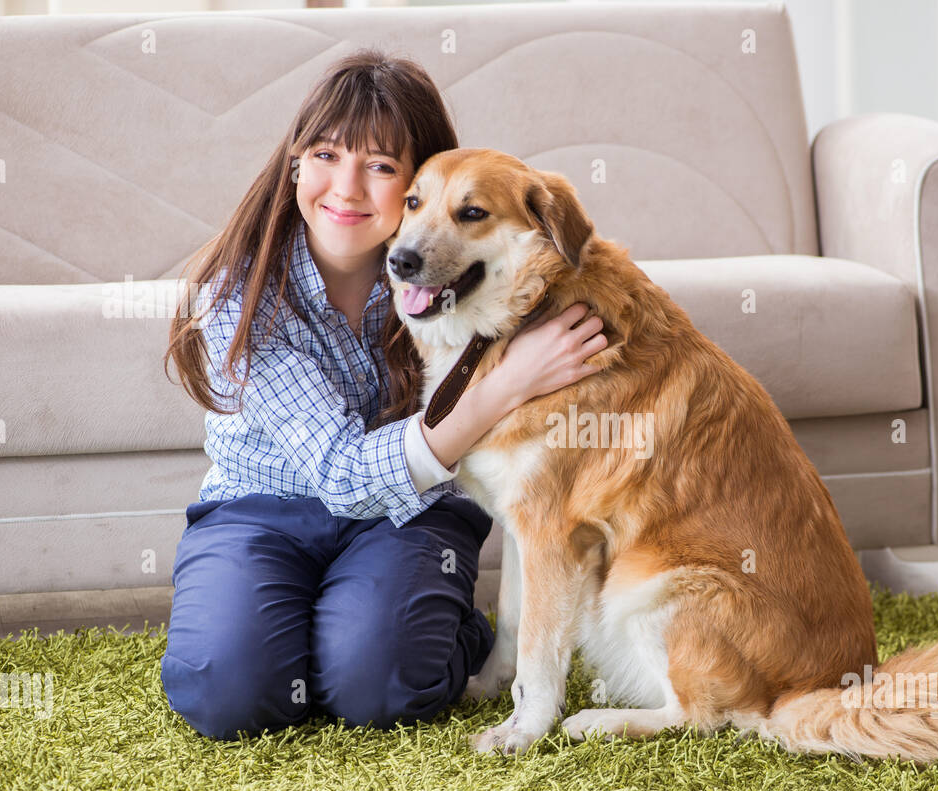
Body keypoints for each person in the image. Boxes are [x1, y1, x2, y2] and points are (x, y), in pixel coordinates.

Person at [160, 50, 606, 741]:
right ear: (295, 165)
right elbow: (339, 474)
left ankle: (420, 633)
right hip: (259, 513)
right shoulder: (240, 299)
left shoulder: (461, 279)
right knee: (227, 689)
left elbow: (542, 255)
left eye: (381, 166)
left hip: (405, 517)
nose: (346, 187)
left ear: (421, 181)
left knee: (380, 682)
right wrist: (509, 384)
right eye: (326, 155)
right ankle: (306, 632)